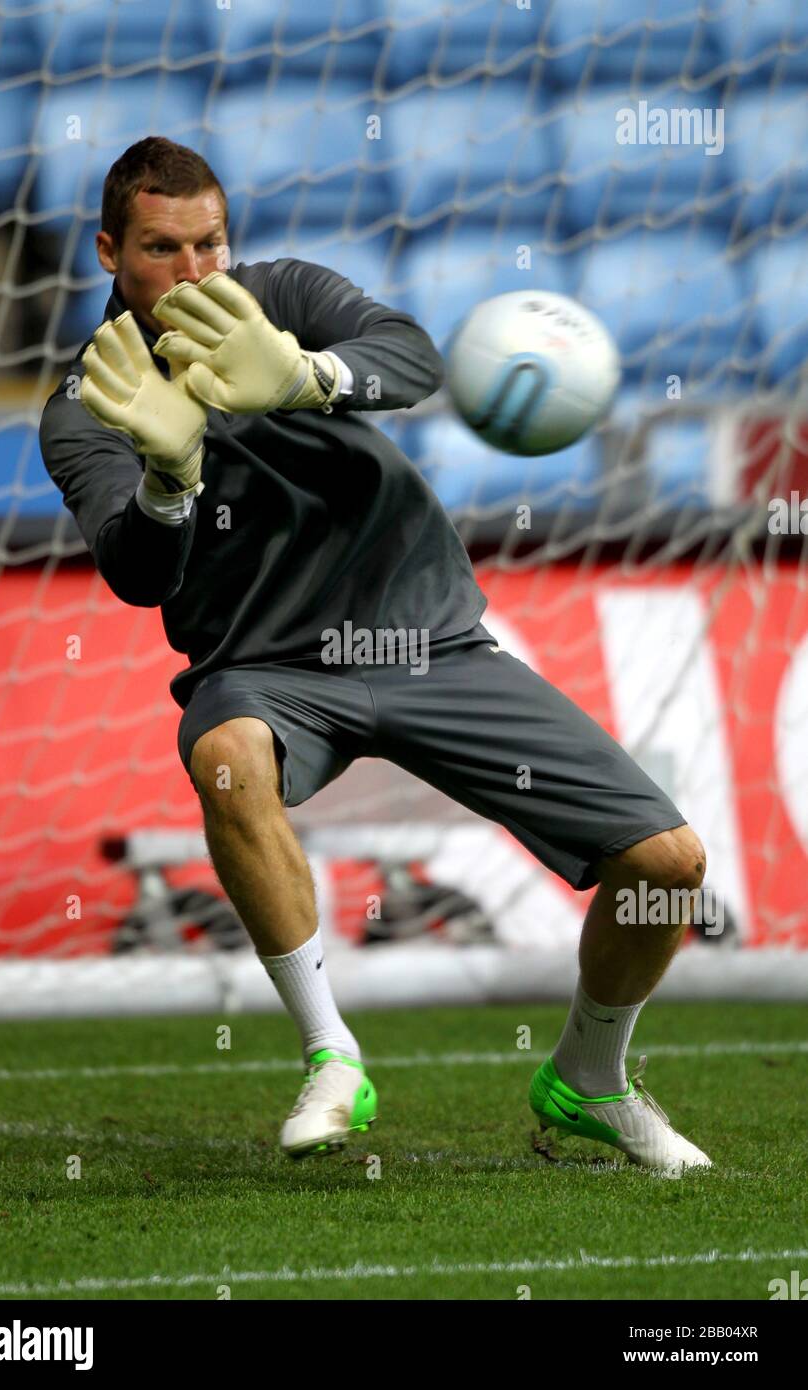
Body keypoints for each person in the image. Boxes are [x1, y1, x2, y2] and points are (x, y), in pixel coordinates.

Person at [40, 137, 711, 1178]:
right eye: (162, 248)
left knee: (665, 867)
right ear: (108, 253)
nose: (193, 270)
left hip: (423, 635)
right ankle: (329, 1052)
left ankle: (586, 1078)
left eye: (208, 242)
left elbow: (413, 357)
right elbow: (138, 574)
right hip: (265, 664)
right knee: (223, 749)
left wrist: (307, 375)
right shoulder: (90, 403)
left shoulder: (286, 295)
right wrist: (168, 479)